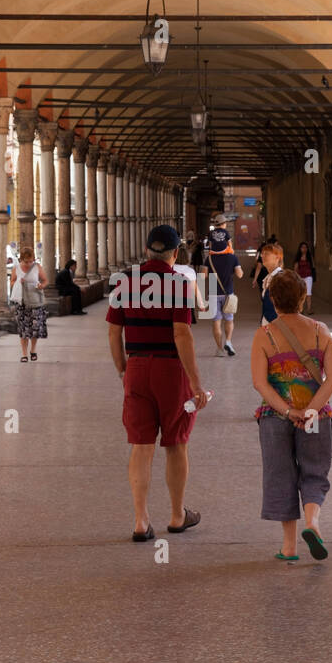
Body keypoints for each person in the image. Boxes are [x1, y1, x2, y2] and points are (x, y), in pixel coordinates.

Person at [107, 224, 207, 543]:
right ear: (175, 254)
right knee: (176, 442)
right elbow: (181, 333)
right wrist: (196, 383)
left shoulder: (124, 282)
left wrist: (124, 367)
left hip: (137, 365)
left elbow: (113, 331)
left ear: (147, 250)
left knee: (141, 444)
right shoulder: (179, 284)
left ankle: (140, 520)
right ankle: (177, 516)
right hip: (169, 369)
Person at [250, 270, 332, 562]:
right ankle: (312, 522)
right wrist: (310, 409)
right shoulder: (320, 331)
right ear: (303, 298)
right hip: (316, 418)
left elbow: (260, 383)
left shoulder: (264, 336)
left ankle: (289, 547)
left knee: (280, 474)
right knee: (314, 471)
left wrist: (289, 411)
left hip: (275, 417)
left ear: (273, 300)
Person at [204, 215, 244, 356]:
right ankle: (228, 341)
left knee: (216, 322)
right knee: (229, 319)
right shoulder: (232, 257)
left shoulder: (208, 258)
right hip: (228, 292)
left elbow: (203, 276)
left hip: (214, 293)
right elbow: (239, 275)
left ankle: (219, 349)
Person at [9, 245, 48, 361]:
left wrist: (41, 286)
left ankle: (33, 349)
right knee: (23, 329)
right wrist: (18, 283)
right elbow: (11, 282)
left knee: (35, 328)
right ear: (21, 259)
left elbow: (45, 281)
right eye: (26, 261)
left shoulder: (37, 267)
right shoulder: (16, 268)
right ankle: (24, 354)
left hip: (35, 301)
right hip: (21, 302)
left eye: (31, 261)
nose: (29, 263)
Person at [259, 241, 284, 325]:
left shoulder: (282, 278)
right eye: (262, 253)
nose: (262, 256)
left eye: (267, 254)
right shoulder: (268, 278)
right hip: (267, 325)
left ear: (277, 257)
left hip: (277, 326)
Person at [293, 242, 316, 314]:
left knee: (308, 293)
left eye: (305, 247)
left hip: (308, 276)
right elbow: (295, 268)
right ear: (300, 249)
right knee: (301, 293)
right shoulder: (298, 258)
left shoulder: (310, 257)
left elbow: (313, 266)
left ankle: (309, 309)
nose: (304, 249)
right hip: (300, 277)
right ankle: (300, 309)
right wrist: (296, 277)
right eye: (302, 247)